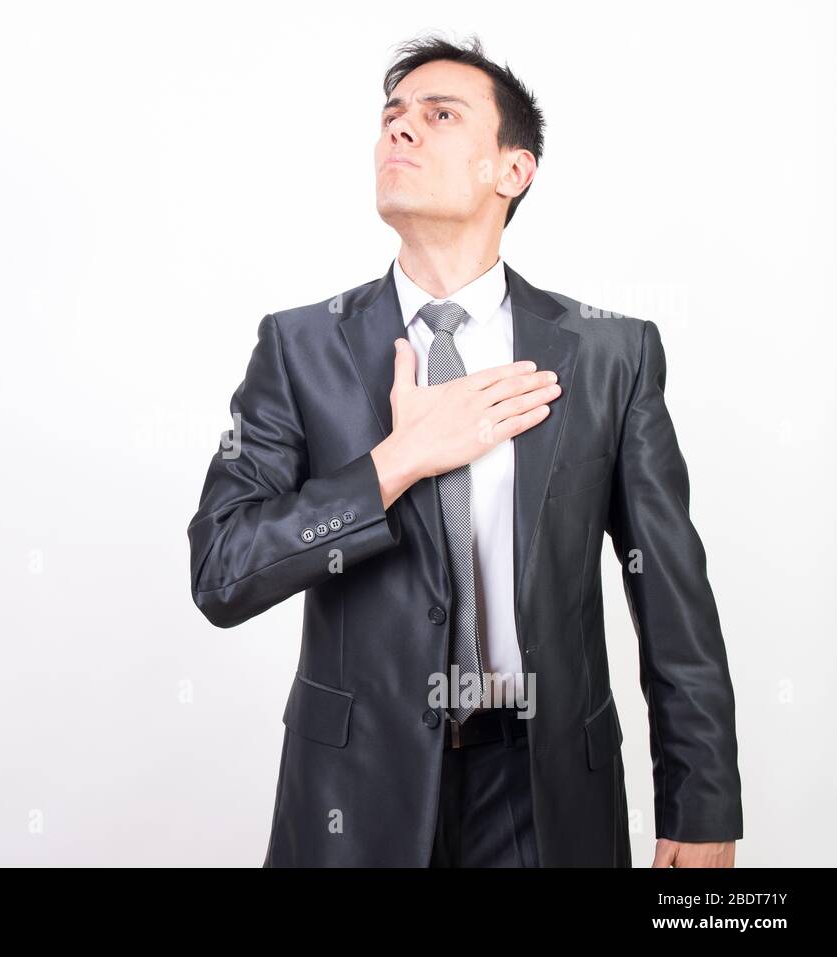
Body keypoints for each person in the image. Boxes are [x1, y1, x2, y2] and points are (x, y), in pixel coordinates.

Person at [186, 34, 742, 867]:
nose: (399, 131)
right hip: (355, 792)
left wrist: (701, 808)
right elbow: (222, 570)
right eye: (391, 117)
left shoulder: (608, 354)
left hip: (544, 789)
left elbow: (670, 596)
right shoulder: (298, 347)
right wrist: (395, 462)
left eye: (439, 115)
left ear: (511, 171)